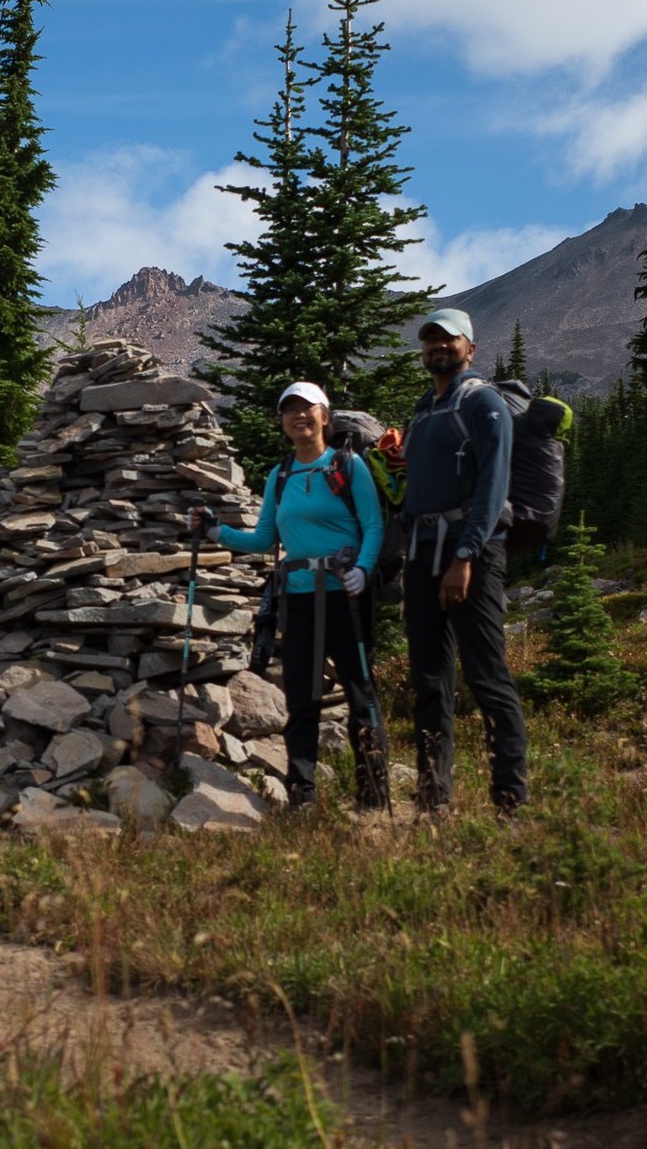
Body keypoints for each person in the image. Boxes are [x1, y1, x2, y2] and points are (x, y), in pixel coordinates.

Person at [194, 382, 385, 809]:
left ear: (324, 416)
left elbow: (373, 525)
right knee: (301, 697)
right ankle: (302, 792)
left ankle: (373, 791)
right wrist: (216, 532)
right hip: (297, 597)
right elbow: (265, 539)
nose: (299, 416)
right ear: (282, 421)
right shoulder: (280, 476)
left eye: (307, 408)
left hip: (346, 594)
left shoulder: (348, 465)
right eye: (290, 410)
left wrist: (363, 570)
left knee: (360, 694)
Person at [401, 308, 529, 814]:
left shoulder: (484, 403)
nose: (438, 346)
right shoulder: (424, 410)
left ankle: (510, 800)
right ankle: (433, 798)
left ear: (470, 348)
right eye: (430, 340)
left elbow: (493, 487)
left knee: (486, 675)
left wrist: (465, 555)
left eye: (448, 339)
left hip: (470, 553)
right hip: (422, 553)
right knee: (429, 681)